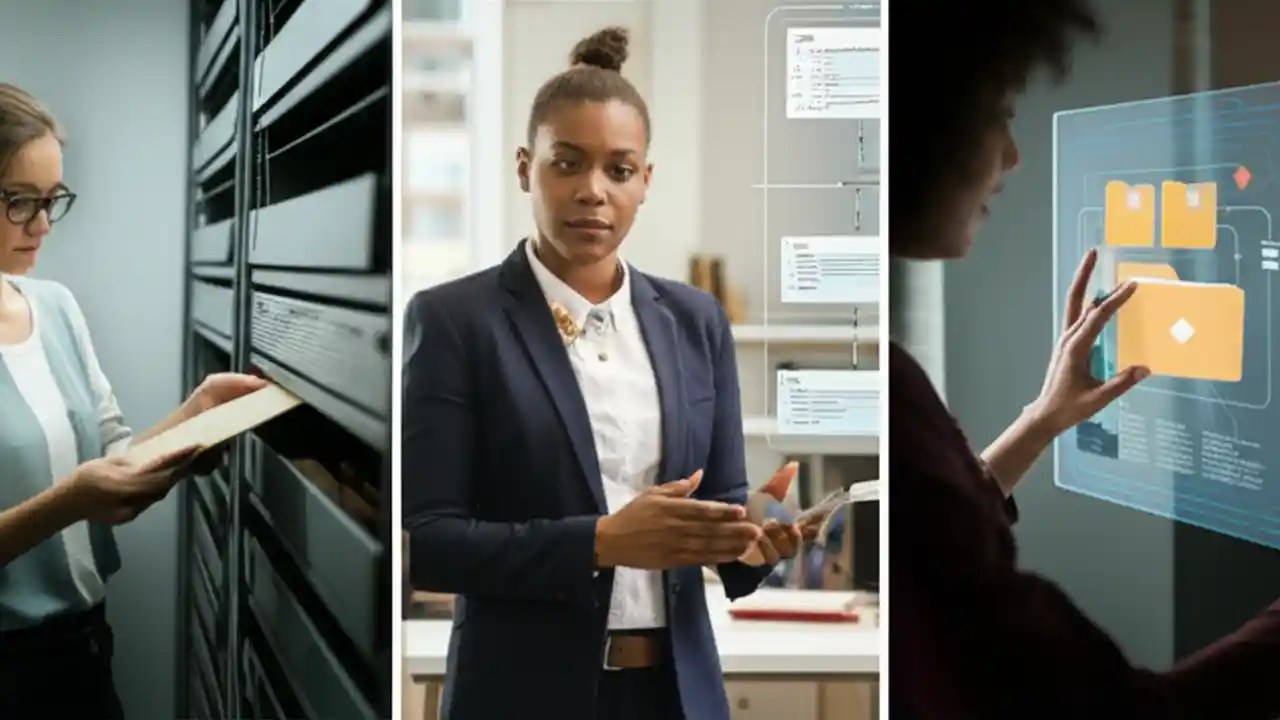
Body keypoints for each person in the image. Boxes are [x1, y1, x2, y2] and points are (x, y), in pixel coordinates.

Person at [403, 27, 808, 720]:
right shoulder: (454, 320)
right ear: (525, 167)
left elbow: (726, 519)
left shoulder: (696, 321)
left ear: (645, 181)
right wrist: (601, 541)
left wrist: (761, 538)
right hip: (521, 698)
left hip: (678, 697)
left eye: (619, 170)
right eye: (568, 164)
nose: (594, 191)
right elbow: (430, 545)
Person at [890, 2, 1280, 718]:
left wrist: (1041, 421)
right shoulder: (893, 395)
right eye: (998, 114)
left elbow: (940, 541)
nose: (1012, 156)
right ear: (924, 123)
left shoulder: (894, 385)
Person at [0, 83, 265, 718]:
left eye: (53, 200)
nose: (42, 224)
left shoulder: (56, 307)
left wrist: (195, 415)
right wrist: (69, 503)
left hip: (84, 650)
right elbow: (85, 489)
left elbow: (115, 451)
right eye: (18, 202)